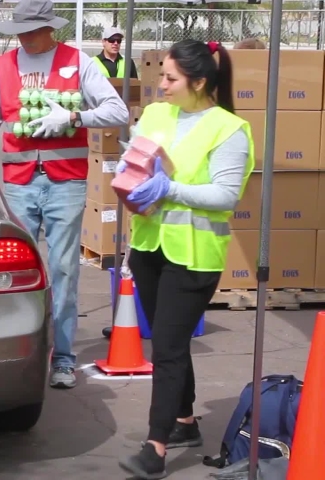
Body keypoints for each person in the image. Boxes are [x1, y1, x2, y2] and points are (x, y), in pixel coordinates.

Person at [116, 39, 255, 479]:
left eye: (171, 78)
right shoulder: (157, 113)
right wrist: (130, 174)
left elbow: (225, 194)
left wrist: (169, 189)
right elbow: (136, 159)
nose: (162, 85)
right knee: (168, 339)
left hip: (193, 258)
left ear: (198, 82)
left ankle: (155, 447)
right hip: (149, 247)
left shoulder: (229, 129)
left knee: (167, 349)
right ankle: (185, 422)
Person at [0, 0, 128, 389]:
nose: (25, 38)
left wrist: (76, 117)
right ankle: (17, 354)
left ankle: (62, 358)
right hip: (19, 183)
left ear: (51, 28)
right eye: (20, 31)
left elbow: (117, 111)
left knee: (63, 270)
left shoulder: (79, 63)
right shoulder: (5, 66)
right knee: (12, 274)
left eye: (32, 30)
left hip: (65, 183)